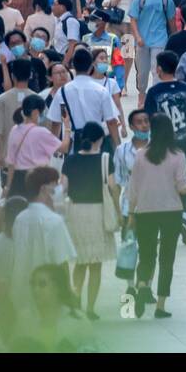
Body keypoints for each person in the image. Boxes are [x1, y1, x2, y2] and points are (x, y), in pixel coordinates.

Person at [128, 113, 186, 318]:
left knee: (147, 256)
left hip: (145, 211)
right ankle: (161, 306)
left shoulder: (140, 154)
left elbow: (133, 188)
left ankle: (141, 286)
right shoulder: (178, 155)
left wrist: (131, 213)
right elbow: (182, 188)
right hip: (171, 212)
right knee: (167, 259)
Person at [144, 49, 186, 243]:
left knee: (163, 184)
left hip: (161, 145)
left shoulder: (154, 92)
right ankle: (184, 217)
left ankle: (165, 223)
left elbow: (147, 121)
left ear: (159, 69)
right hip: (185, 143)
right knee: (185, 182)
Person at [61, 122, 119, 319]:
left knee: (80, 262)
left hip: (75, 214)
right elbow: (112, 187)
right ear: (100, 139)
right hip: (98, 213)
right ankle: (91, 308)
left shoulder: (70, 160)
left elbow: (63, 188)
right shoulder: (105, 159)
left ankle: (76, 299)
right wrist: (119, 212)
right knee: (95, 265)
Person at [10, 166, 77, 306]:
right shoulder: (54, 221)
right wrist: (68, 292)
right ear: (43, 189)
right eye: (54, 184)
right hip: (48, 292)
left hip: (22, 290)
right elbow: (62, 261)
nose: (58, 188)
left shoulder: (20, 219)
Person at [48, 48, 120, 151]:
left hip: (74, 144)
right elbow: (111, 121)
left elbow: (56, 122)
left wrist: (54, 148)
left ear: (73, 66)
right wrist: (117, 146)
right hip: (98, 143)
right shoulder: (101, 91)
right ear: (91, 66)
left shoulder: (62, 92)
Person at [5, 93, 64, 198]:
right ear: (36, 112)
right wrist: (67, 127)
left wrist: (8, 187)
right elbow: (64, 148)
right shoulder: (41, 132)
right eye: (42, 112)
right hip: (36, 180)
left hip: (17, 180)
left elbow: (11, 163)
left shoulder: (14, 129)